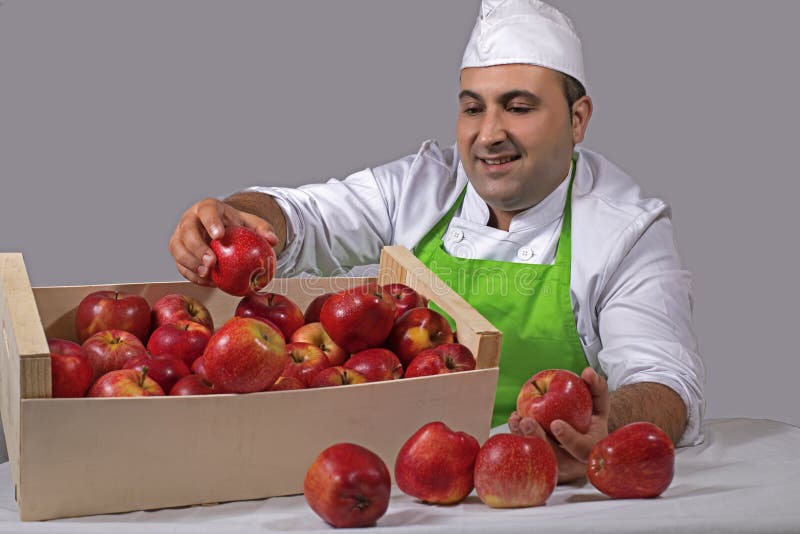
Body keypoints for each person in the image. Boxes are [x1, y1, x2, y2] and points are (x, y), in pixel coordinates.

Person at [169, 0, 704, 482]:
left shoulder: (626, 230)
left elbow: (664, 381)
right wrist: (242, 219)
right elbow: (299, 216)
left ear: (578, 119)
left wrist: (607, 426)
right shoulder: (422, 186)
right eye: (473, 108)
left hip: (545, 489)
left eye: (519, 107)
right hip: (402, 476)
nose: (488, 134)